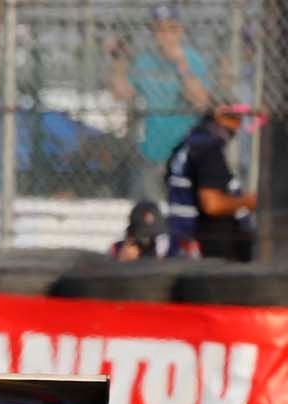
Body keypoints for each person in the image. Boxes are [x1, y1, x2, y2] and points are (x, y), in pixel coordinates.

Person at [108, 4, 213, 200]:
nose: (165, 36)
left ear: (180, 31)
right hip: (153, 152)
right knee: (151, 214)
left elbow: (200, 101)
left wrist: (181, 65)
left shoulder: (193, 60)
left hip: (184, 154)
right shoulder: (145, 61)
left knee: (182, 215)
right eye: (159, 30)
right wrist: (118, 60)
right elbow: (121, 94)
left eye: (171, 29)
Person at [164, 104, 258, 261]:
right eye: (234, 118)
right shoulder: (208, 148)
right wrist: (249, 202)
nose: (237, 127)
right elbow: (212, 204)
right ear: (218, 116)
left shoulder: (188, 143)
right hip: (202, 248)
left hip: (181, 239)